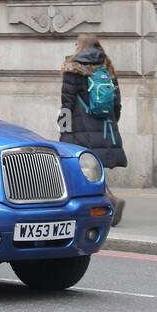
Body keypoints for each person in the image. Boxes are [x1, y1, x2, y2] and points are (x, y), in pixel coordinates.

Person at [59, 34, 127, 226]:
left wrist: (64, 127)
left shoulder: (73, 68)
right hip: (105, 126)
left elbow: (67, 102)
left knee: (72, 165)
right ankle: (103, 203)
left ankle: (109, 200)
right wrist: (112, 122)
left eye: (76, 43)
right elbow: (117, 102)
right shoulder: (107, 67)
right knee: (92, 168)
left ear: (81, 46)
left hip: (80, 126)